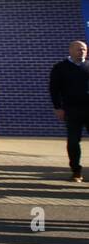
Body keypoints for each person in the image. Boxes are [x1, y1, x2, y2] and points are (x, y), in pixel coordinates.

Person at [49, 40, 89, 183]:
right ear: (70, 50)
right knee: (73, 141)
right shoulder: (60, 68)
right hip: (72, 110)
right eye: (79, 49)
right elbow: (54, 89)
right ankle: (76, 171)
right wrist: (58, 107)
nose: (82, 51)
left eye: (84, 49)